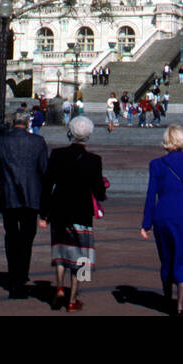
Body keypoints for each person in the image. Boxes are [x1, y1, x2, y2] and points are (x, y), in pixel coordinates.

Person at [141, 124, 183, 316]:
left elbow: (151, 194)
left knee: (167, 258)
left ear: (166, 142)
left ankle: (167, 299)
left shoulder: (156, 164)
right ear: (182, 140)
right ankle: (180, 306)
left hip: (163, 215)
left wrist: (146, 223)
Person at [41, 116, 107, 312]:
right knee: (82, 255)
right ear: (88, 135)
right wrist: (102, 190)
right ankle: (73, 298)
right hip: (82, 211)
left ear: (70, 132)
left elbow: (47, 184)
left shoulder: (57, 155)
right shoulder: (94, 160)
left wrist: (44, 213)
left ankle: (60, 286)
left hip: (59, 209)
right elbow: (98, 191)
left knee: (61, 250)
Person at [0, 111, 49, 298]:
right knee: (27, 239)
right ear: (27, 123)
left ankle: (14, 277)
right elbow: (45, 174)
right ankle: (21, 277)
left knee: (11, 237)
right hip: (32, 197)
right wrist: (46, 208)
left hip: (9, 196)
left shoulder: (1, 142)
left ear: (12, 122)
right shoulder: (38, 142)